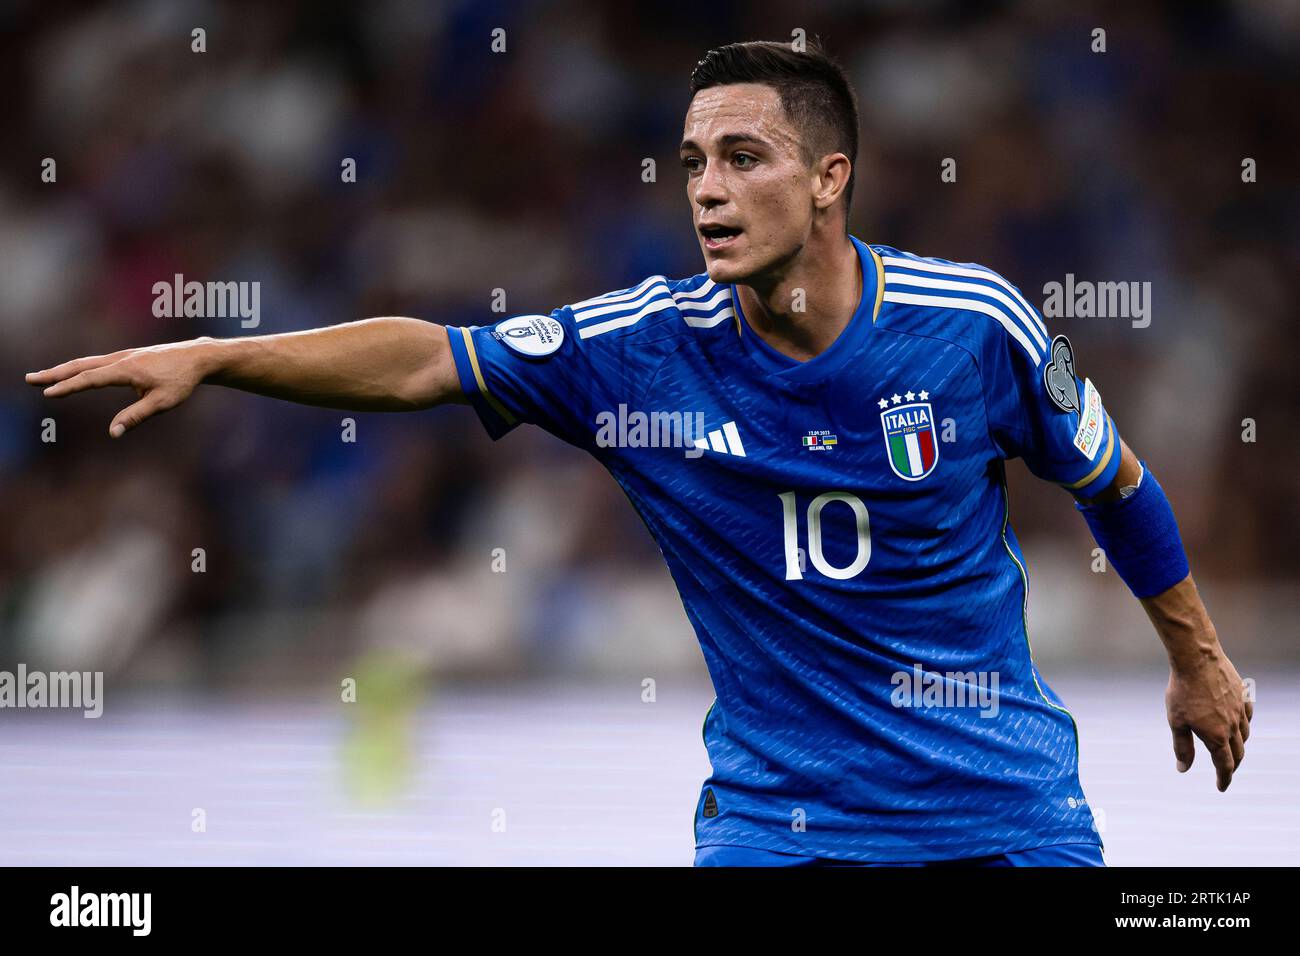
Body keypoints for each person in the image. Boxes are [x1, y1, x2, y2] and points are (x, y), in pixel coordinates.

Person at [26, 39, 1251, 867]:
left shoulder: (971, 326)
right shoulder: (639, 346)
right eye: (690, 165)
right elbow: (427, 358)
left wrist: (1197, 661)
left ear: (831, 179)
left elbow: (1116, 482)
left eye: (743, 158)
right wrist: (220, 353)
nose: (706, 191)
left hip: (997, 809)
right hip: (785, 825)